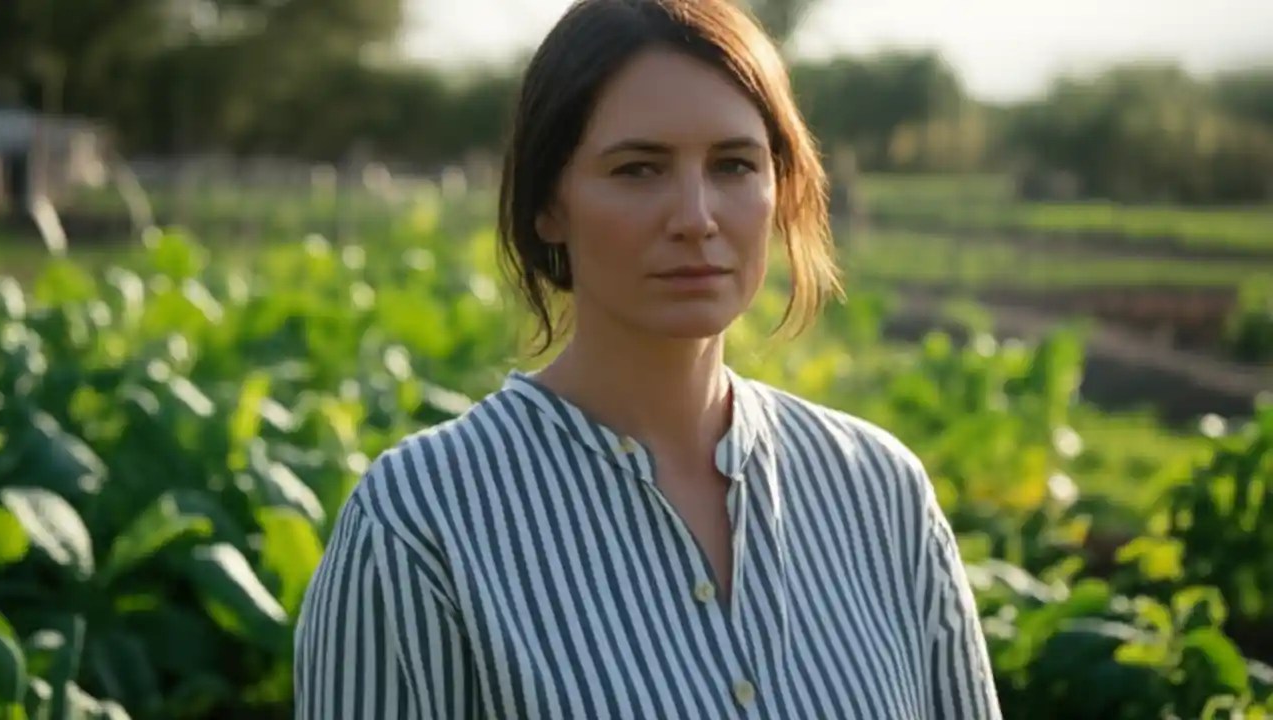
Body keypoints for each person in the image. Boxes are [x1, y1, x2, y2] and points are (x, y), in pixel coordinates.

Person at [293, 0, 1001, 717]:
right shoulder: (422, 522)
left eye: (733, 165)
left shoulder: (880, 494)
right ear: (548, 204)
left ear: (779, 187)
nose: (696, 217)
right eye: (638, 170)